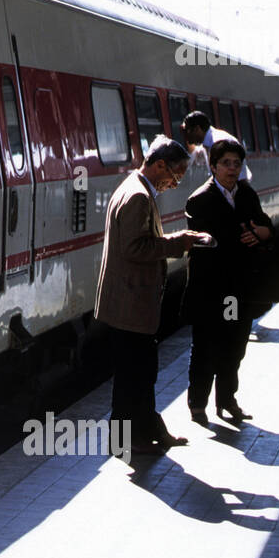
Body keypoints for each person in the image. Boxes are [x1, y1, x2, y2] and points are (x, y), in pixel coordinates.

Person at [96, 136, 210, 454]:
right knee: (136, 374)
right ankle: (130, 440)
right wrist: (180, 241)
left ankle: (145, 432)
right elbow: (135, 247)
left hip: (127, 302)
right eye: (176, 175)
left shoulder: (134, 187)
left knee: (138, 372)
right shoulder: (138, 197)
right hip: (131, 302)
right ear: (160, 165)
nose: (176, 183)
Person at [182, 139, 274, 425]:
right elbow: (205, 241)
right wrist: (241, 236)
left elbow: (267, 226)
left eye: (237, 163)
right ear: (213, 166)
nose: (232, 169)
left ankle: (227, 400)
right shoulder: (199, 200)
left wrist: (259, 231)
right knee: (206, 347)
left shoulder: (247, 194)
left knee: (234, 346)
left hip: (239, 289)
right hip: (211, 289)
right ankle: (198, 405)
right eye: (226, 163)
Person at [182, 111, 250, 182]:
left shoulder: (220, 142)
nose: (186, 137)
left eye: (187, 131)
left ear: (197, 129)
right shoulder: (208, 143)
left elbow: (236, 177)